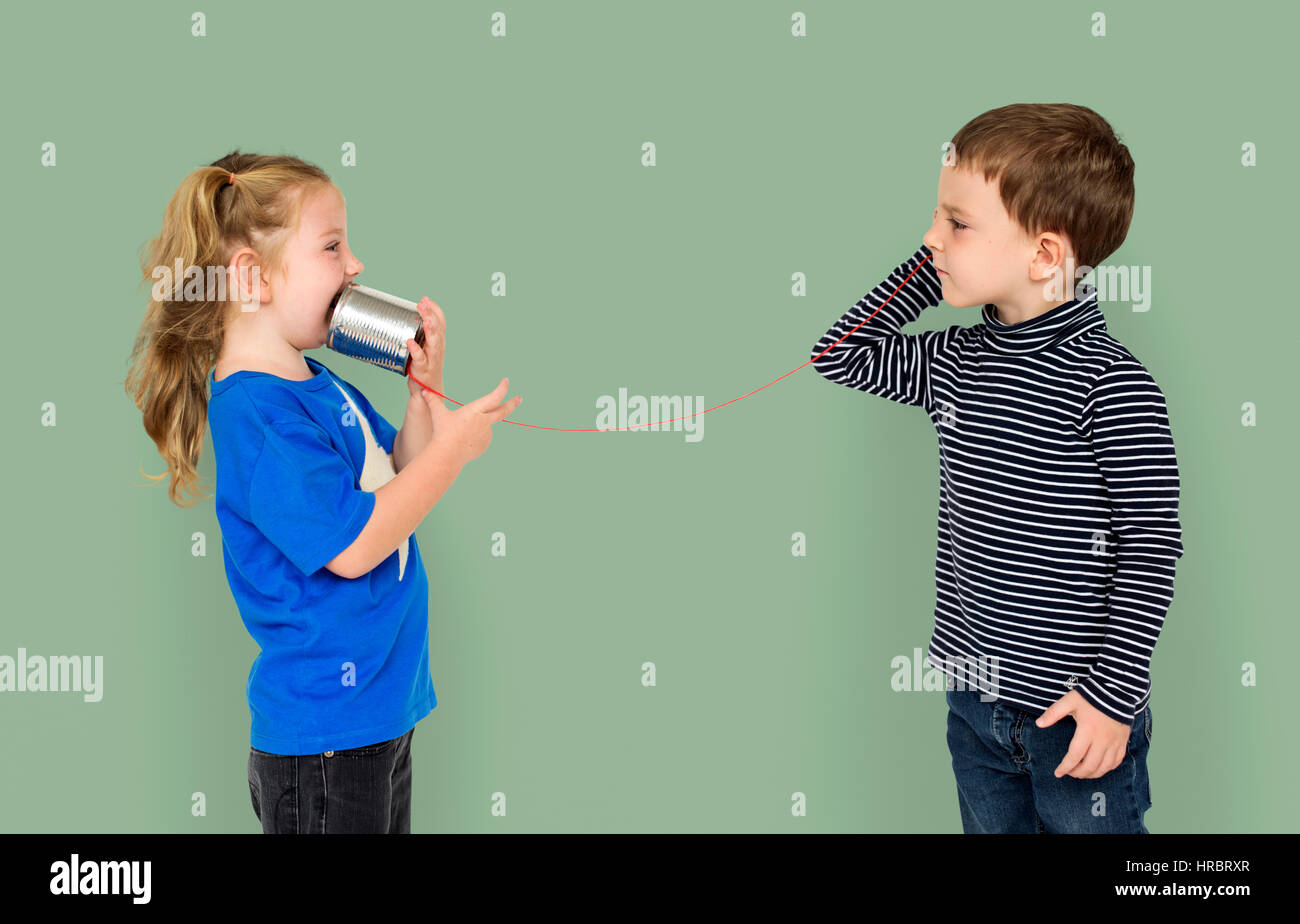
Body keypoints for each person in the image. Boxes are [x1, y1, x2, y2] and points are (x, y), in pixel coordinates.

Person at [809, 104, 1182, 833]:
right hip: (974, 704)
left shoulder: (1112, 385)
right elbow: (839, 353)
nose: (929, 237)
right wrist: (936, 266)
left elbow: (1150, 547)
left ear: (1044, 256)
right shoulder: (954, 362)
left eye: (956, 223)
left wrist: (1112, 696)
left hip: (1077, 715)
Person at [124, 151, 522, 833]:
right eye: (333, 247)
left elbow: (394, 480)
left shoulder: (316, 382)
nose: (356, 265)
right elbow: (357, 545)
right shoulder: (261, 417)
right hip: (325, 742)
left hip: (377, 714)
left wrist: (426, 394)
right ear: (254, 277)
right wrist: (454, 451)